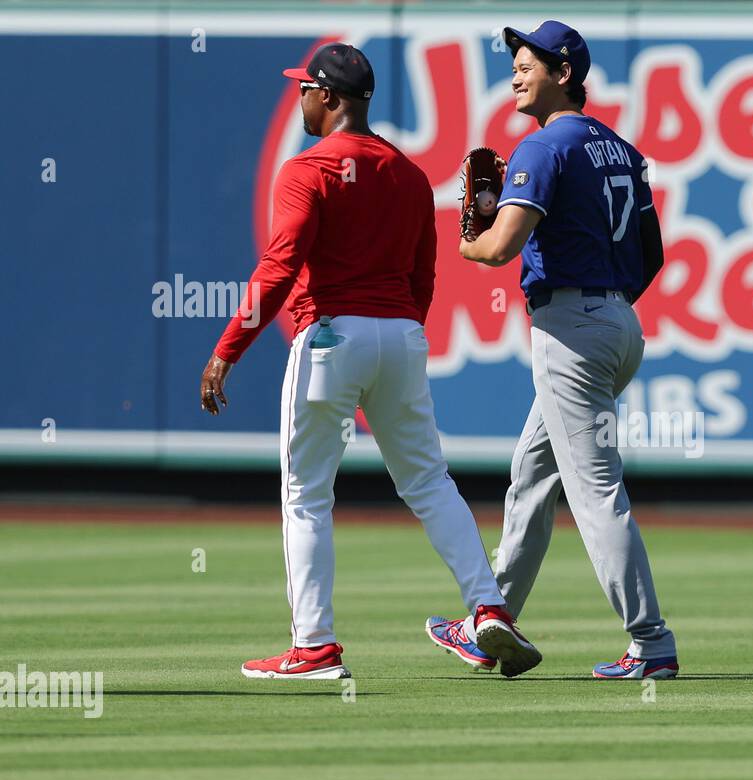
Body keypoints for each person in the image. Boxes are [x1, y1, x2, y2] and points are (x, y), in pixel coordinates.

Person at [199, 42, 540, 680]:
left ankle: (314, 646)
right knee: (431, 482)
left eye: (305, 87)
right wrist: (402, 329)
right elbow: (423, 276)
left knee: (306, 494)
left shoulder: (307, 170)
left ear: (328, 97)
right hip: (401, 337)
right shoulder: (409, 174)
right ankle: (489, 606)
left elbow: (279, 267)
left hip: (331, 337)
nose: (300, 95)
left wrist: (229, 347)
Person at [434, 21, 679, 680]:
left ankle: (651, 641)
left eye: (527, 63)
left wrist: (468, 240)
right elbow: (652, 255)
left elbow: (500, 247)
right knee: (533, 476)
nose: (515, 74)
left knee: (595, 493)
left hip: (570, 330)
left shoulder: (543, 147)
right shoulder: (621, 149)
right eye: (514, 64)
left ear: (563, 72)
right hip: (618, 324)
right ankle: (493, 617)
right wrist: (609, 305)